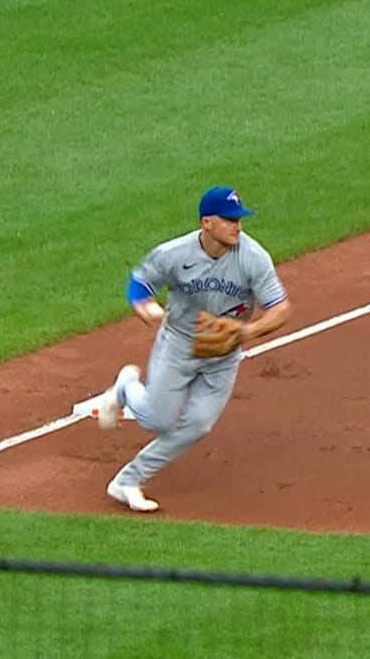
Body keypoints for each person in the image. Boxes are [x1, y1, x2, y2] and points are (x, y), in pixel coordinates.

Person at [95, 185, 292, 513]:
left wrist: (247, 331)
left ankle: (128, 480)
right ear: (207, 223)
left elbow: (281, 308)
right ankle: (127, 389)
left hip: (223, 355)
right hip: (178, 346)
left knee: (199, 424)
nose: (237, 226)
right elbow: (139, 283)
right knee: (157, 421)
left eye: (238, 219)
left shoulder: (253, 257)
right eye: (229, 220)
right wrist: (143, 305)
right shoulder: (174, 254)